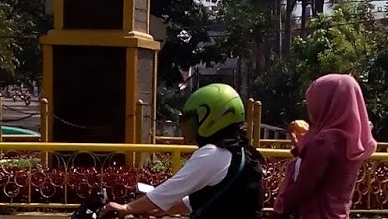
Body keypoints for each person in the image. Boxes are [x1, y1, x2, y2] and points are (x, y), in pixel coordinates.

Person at [97, 83, 263, 218]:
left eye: (193, 120)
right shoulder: (241, 152)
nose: (188, 127)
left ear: (211, 118)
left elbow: (171, 190)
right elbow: (197, 200)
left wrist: (126, 207)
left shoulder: (213, 153)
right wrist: (162, 208)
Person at [272, 74, 378, 219]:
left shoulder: (323, 141)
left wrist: (280, 209)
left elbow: (303, 188)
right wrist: (304, 150)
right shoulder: (353, 138)